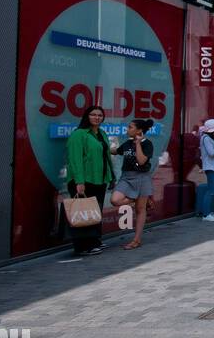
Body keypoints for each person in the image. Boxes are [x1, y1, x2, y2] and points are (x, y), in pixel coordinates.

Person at [65, 105, 113, 255]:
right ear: (87, 116)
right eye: (93, 114)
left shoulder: (102, 133)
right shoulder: (78, 134)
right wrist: (79, 182)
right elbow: (75, 159)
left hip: (99, 179)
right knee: (83, 213)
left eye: (100, 115)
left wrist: (111, 176)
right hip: (83, 181)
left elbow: (106, 157)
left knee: (94, 212)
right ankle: (82, 247)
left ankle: (94, 241)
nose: (97, 117)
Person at [109, 118, 155, 250]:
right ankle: (135, 199)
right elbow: (116, 151)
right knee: (115, 200)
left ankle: (136, 239)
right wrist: (102, 147)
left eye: (130, 127)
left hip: (142, 177)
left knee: (140, 210)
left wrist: (138, 143)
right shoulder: (127, 143)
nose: (127, 129)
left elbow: (141, 161)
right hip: (126, 177)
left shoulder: (147, 144)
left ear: (139, 130)